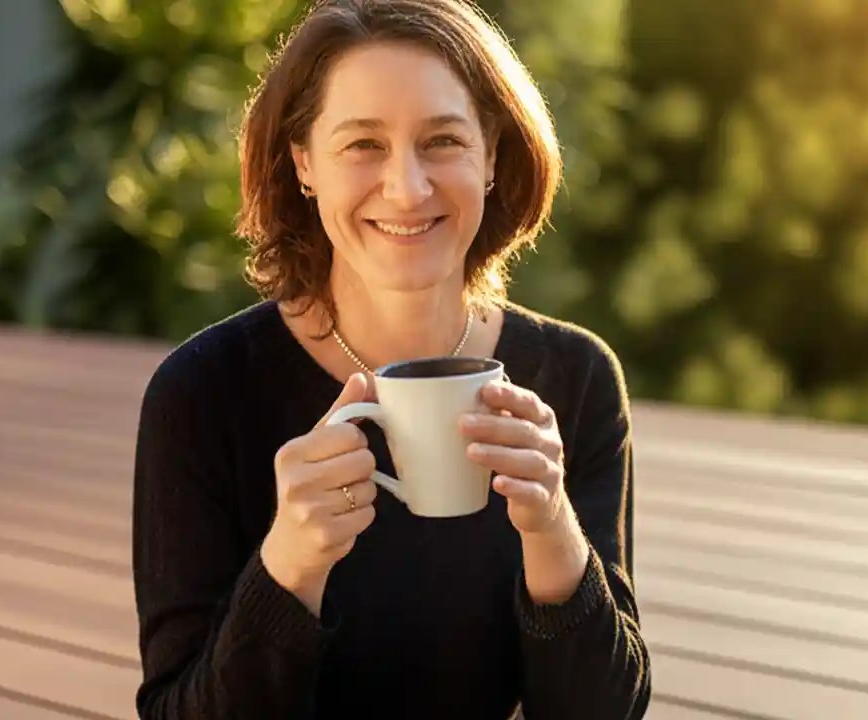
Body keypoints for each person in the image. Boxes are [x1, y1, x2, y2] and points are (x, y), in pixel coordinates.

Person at [130, 1, 650, 717]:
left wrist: (553, 529)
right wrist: (289, 567)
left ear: (491, 156)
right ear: (304, 162)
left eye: (443, 141)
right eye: (363, 145)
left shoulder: (576, 379)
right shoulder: (201, 397)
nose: (407, 188)